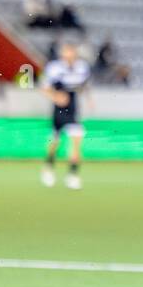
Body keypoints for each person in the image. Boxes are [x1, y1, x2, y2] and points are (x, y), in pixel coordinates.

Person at [40, 40, 92, 190]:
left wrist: (89, 100)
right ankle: (48, 168)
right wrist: (56, 97)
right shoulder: (54, 68)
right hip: (59, 108)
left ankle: (73, 175)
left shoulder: (82, 67)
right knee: (55, 142)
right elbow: (44, 88)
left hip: (73, 107)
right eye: (65, 53)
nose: (68, 56)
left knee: (76, 140)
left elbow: (83, 86)